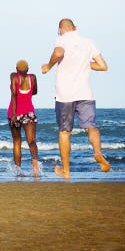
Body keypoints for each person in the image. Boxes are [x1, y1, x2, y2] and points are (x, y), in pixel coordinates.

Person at [41, 18, 110, 179]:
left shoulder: (61, 39)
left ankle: (66, 171)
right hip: (85, 93)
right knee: (91, 127)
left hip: (65, 94)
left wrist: (48, 66)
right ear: (75, 28)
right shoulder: (88, 42)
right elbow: (103, 66)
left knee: (65, 132)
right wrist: (85, 63)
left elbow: (58, 53)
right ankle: (98, 153)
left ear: (60, 30)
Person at [7, 60, 40, 177]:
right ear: (28, 69)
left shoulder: (14, 76)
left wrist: (14, 114)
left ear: (16, 69)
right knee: (31, 141)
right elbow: (34, 92)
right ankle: (36, 166)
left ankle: (18, 170)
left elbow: (14, 94)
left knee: (17, 141)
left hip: (14, 113)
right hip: (29, 112)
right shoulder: (33, 78)